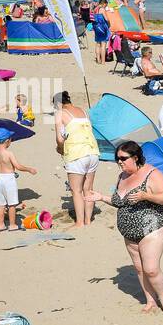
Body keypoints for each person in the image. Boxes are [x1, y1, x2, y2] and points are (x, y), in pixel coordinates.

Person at [86, 141, 163, 315]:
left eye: (123, 159)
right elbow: (120, 202)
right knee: (140, 269)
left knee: (151, 269)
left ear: (135, 157)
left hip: (152, 226)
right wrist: (102, 197)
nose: (119, 162)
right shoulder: (122, 176)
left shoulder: (151, 173)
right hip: (129, 232)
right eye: (117, 159)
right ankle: (150, 301)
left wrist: (145, 196)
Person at [50, 91, 99, 228]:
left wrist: (60, 148)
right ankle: (88, 220)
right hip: (93, 151)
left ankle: (80, 222)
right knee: (88, 188)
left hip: (77, 153)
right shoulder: (83, 111)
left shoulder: (60, 113)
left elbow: (60, 139)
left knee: (76, 190)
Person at [0, 128, 37, 232]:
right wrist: (29, 169)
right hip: (9, 179)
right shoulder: (9, 153)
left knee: (1, 204)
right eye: (11, 139)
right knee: (12, 204)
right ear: (7, 141)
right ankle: (13, 225)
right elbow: (18, 166)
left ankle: (1, 225)